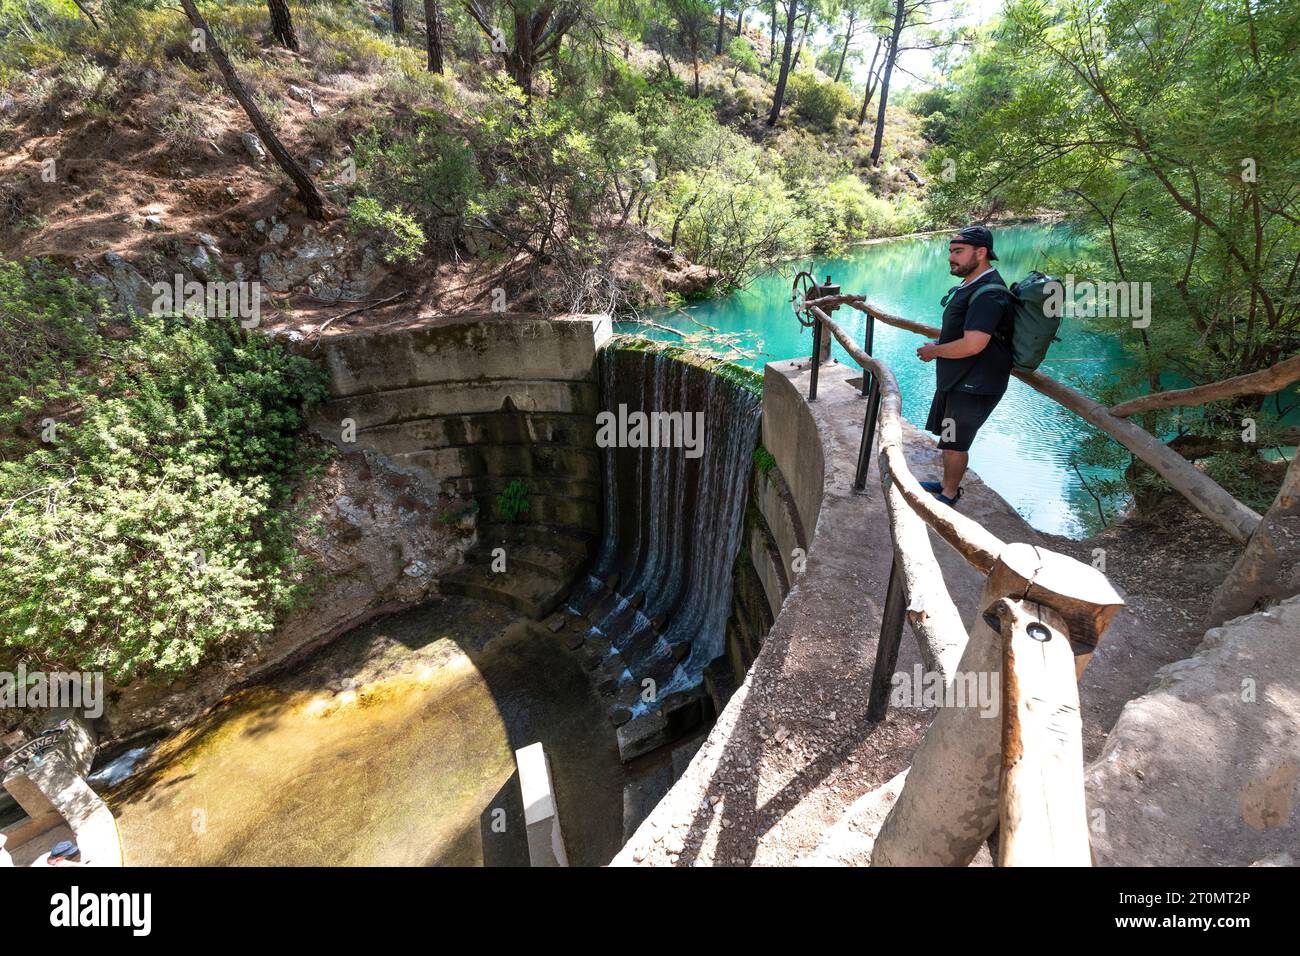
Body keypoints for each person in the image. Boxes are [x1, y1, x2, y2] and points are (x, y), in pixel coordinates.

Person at [915, 225, 1014, 506]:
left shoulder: (989, 294)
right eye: (951, 252)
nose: (951, 258)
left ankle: (949, 494)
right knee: (949, 438)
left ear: (981, 253)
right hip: (958, 379)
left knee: (956, 442)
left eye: (958, 252)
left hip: (974, 384)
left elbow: (973, 344)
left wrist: (935, 351)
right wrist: (942, 343)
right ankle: (947, 484)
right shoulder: (973, 283)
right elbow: (965, 332)